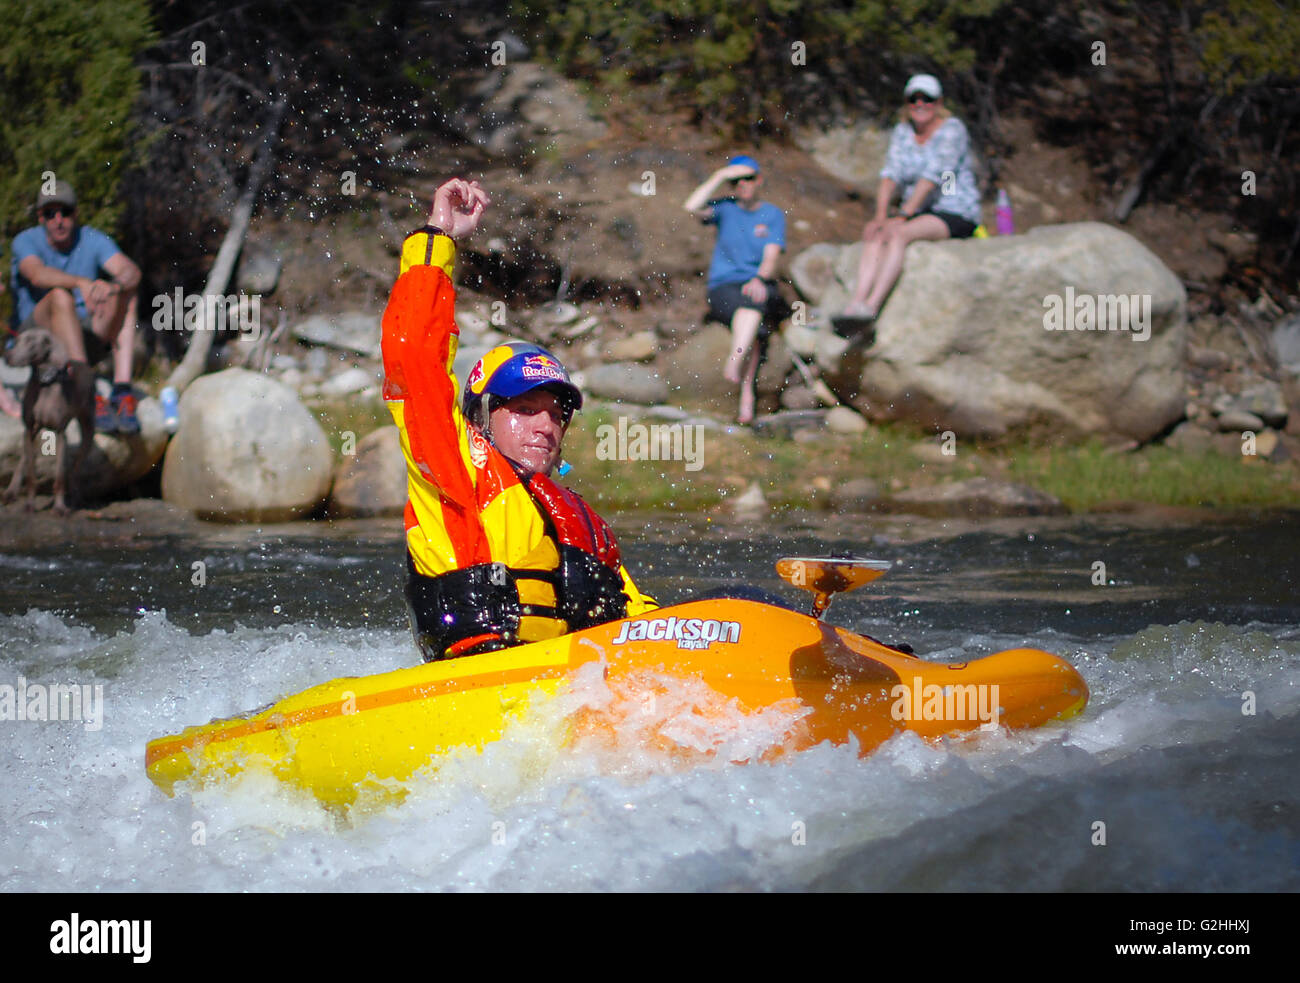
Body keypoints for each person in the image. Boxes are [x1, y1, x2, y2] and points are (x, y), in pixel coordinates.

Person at [381, 177, 658, 663]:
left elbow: (643, 624)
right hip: (472, 688)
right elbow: (415, 360)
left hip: (562, 698)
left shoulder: (585, 524)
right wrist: (437, 239)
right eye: (525, 410)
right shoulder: (459, 470)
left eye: (556, 415)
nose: (545, 427)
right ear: (483, 418)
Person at [833, 74, 982, 336]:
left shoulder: (952, 129)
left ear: (939, 103)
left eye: (927, 99)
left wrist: (903, 214)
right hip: (921, 210)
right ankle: (855, 304)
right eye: (914, 99)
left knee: (899, 234)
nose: (920, 104)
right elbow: (890, 174)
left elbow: (932, 178)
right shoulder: (904, 132)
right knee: (877, 233)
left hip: (954, 210)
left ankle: (871, 307)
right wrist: (879, 217)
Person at [10, 181, 142, 433]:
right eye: (50, 214)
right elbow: (37, 274)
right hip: (36, 337)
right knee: (61, 296)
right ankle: (86, 391)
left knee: (126, 293)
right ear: (40, 217)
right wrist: (81, 282)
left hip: (82, 333)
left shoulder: (92, 238)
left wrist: (113, 286)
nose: (58, 220)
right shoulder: (25, 241)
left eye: (65, 212)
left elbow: (131, 271)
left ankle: (122, 391)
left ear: (75, 214)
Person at [683, 155, 786, 424]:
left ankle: (737, 370)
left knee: (754, 307)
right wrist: (718, 175)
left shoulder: (772, 214)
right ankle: (744, 387)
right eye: (736, 181)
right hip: (724, 285)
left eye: (749, 178)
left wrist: (760, 279)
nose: (743, 184)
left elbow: (771, 256)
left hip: (757, 283)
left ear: (759, 180)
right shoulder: (725, 208)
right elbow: (691, 206)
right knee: (752, 317)